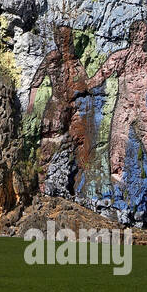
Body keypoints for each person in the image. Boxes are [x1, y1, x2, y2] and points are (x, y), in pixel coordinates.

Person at [84, 20, 147, 208]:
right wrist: (84, 86)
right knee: (117, 147)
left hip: (142, 109)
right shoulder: (121, 57)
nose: (142, 35)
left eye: (145, 32)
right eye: (139, 32)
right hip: (124, 107)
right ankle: (115, 192)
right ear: (132, 34)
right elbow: (101, 74)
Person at [27, 25, 94, 190]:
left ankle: (72, 184)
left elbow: (86, 84)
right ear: (57, 39)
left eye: (67, 37)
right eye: (62, 37)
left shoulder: (74, 61)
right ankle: (42, 184)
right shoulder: (52, 58)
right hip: (56, 106)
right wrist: (30, 105)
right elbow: (36, 81)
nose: (65, 40)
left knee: (77, 145)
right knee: (48, 145)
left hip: (72, 108)